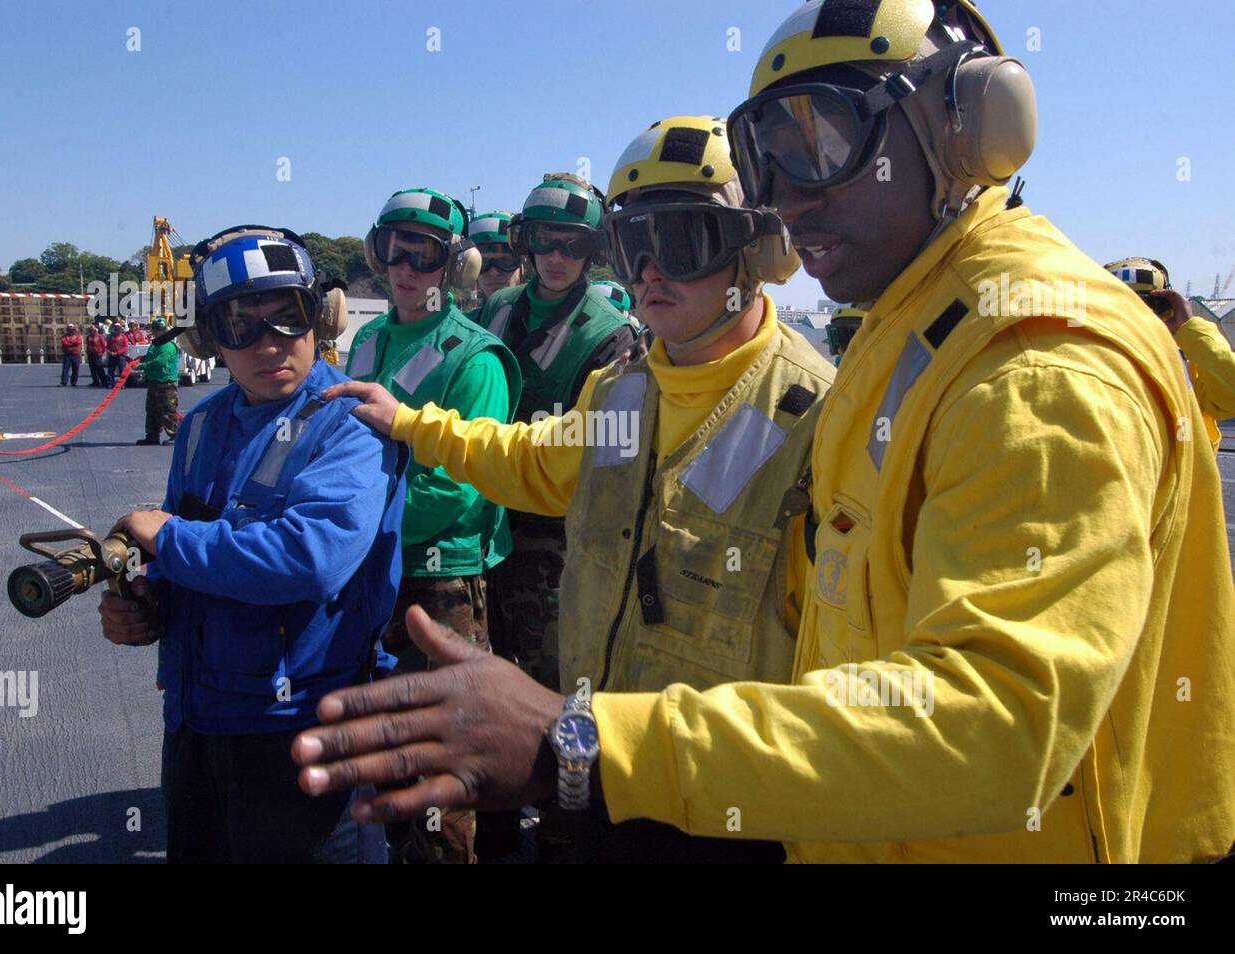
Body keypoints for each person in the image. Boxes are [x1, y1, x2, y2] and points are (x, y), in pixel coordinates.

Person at [292, 0, 1235, 864]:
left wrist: (577, 737)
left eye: (823, 144)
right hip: (707, 795)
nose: (793, 196)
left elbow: (994, 725)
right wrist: (411, 421)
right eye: (769, 157)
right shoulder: (880, 342)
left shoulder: (1027, 369)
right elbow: (544, 465)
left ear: (969, 126)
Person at [321, 115, 834, 862]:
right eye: (635, 246)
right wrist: (413, 424)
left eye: (683, 242)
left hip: (733, 801)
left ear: (755, 250)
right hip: (604, 766)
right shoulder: (623, 389)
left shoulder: (819, 415)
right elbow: (532, 461)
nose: (651, 271)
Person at [97, 224, 408, 863]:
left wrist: (171, 541)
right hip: (195, 725)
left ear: (318, 318)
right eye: (241, 325)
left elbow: (310, 559)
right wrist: (150, 605)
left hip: (301, 734)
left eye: (287, 317)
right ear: (211, 336)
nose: (269, 343)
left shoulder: (351, 424)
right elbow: (181, 552)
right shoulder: (202, 425)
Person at [343, 187, 519, 864]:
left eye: (427, 254)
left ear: (454, 267)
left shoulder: (473, 358)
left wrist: (352, 531)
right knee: (383, 751)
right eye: (396, 250)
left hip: (436, 583)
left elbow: (459, 488)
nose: (408, 267)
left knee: (439, 773)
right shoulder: (367, 341)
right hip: (371, 576)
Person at [469, 173, 639, 689]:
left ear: (595, 251)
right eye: (544, 239)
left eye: (575, 244)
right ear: (527, 240)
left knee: (544, 671)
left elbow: (611, 454)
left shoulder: (610, 333)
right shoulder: (498, 306)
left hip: (551, 532)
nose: (556, 257)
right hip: (484, 511)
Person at [1106, 257, 1235, 452]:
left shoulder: (1187, 365)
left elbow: (1230, 396)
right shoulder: (1087, 360)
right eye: (1123, 306)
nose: (1136, 316)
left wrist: (1190, 328)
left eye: (1148, 304)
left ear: (1167, 309)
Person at [466, 210, 524, 316]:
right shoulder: (465, 327)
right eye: (483, 262)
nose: (493, 272)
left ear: (522, 265)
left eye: (505, 261)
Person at [136, 318, 180, 446]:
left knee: (168, 410)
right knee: (152, 410)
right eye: (156, 329)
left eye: (160, 329)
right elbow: (152, 357)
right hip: (154, 381)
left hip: (166, 383)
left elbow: (159, 362)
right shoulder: (156, 344)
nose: (157, 332)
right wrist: (141, 359)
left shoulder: (167, 345)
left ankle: (175, 435)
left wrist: (142, 366)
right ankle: (152, 436)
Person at [85, 319, 110, 387]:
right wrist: (87, 353)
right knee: (92, 369)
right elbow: (87, 345)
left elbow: (104, 346)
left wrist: (101, 353)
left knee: (99, 368)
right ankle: (95, 381)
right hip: (91, 354)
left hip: (97, 354)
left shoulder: (99, 336)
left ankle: (104, 382)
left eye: (93, 330)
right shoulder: (88, 337)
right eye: (90, 330)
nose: (91, 331)